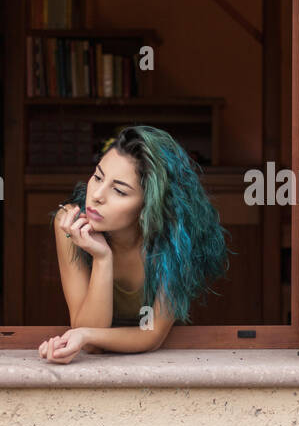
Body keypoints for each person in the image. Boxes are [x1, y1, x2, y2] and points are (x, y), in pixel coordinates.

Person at [38, 125, 230, 363]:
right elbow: (90, 342)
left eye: (119, 190)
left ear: (149, 205)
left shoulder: (176, 239)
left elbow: (150, 335)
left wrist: (86, 335)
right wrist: (102, 258)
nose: (97, 195)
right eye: (98, 177)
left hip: (166, 361)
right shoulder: (70, 223)